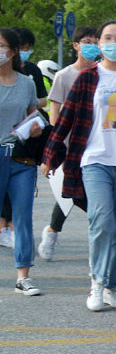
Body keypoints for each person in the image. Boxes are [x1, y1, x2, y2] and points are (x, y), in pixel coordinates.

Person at [44, 20, 116, 309]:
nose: (113, 42)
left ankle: (112, 284)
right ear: (99, 43)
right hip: (94, 160)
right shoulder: (88, 77)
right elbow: (66, 117)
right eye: (107, 38)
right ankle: (97, 282)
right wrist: (51, 155)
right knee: (102, 220)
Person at [38, 25, 99, 260]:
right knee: (70, 194)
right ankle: (52, 232)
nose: (92, 46)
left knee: (89, 196)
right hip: (70, 147)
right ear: (76, 46)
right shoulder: (64, 76)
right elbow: (55, 116)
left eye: (95, 41)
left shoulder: (103, 73)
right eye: (87, 41)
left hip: (96, 147)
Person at [1, 28, 46, 296]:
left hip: (20, 157)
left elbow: (33, 116)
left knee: (22, 216)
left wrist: (37, 126)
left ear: (14, 51)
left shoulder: (26, 82)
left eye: (2, 45)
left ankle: (23, 276)